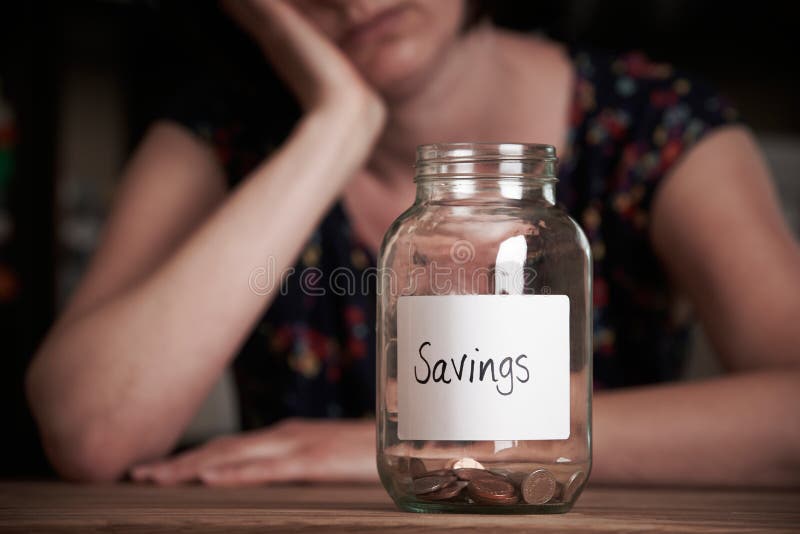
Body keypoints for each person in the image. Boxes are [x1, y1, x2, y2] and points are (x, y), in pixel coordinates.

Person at [26, 0, 800, 487]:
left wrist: (387, 443)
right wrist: (336, 123)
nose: (355, 2)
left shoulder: (652, 123)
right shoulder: (219, 136)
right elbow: (90, 430)